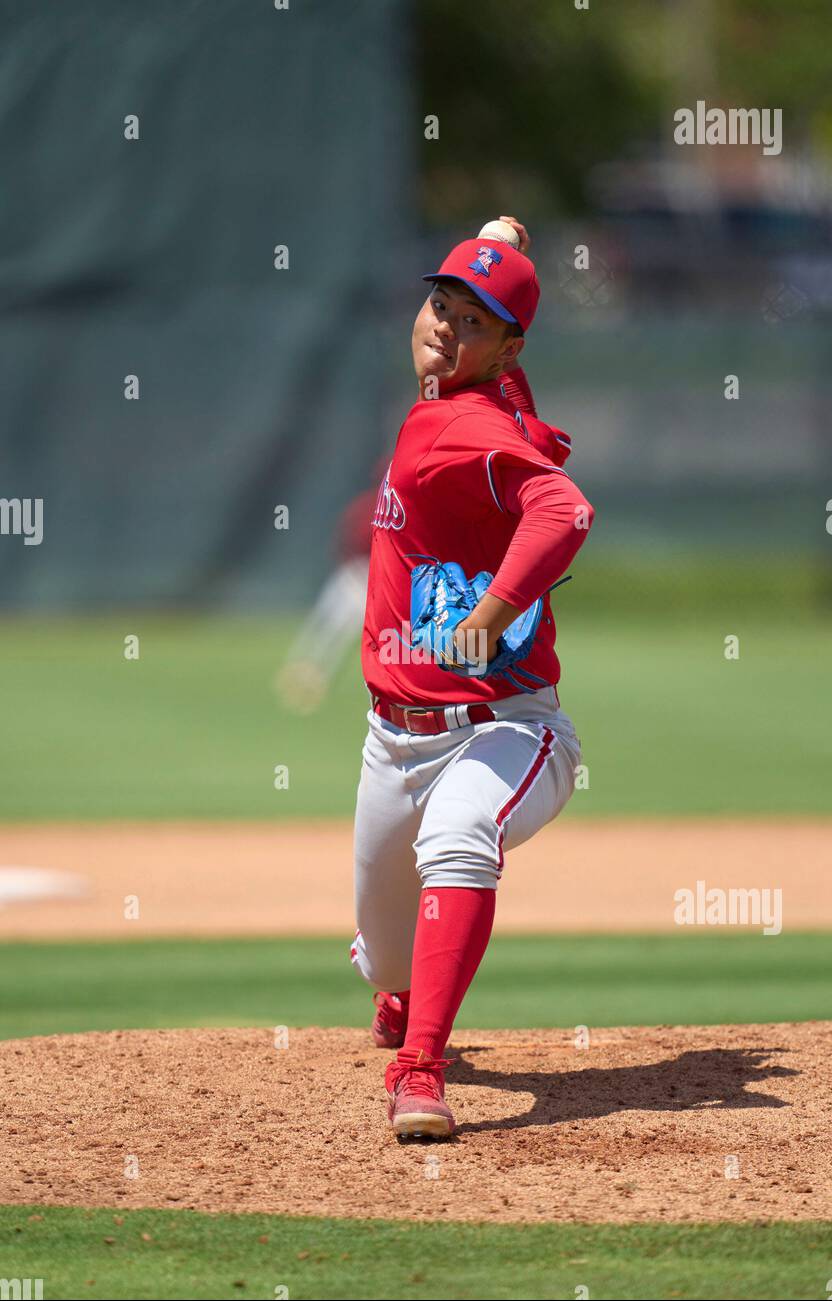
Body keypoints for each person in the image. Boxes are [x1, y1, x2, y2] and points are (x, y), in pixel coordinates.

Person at [351, 216, 595, 1139]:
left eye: (474, 321)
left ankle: (422, 1068)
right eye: (440, 304)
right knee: (382, 956)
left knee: (459, 836)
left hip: (507, 726)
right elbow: (477, 340)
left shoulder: (464, 425)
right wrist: (496, 241)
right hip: (394, 737)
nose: (446, 326)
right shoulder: (466, 388)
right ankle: (398, 994)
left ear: (508, 349)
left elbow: (564, 509)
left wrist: (487, 618)